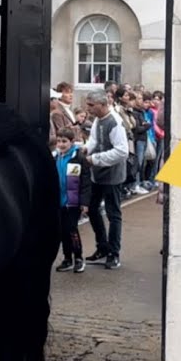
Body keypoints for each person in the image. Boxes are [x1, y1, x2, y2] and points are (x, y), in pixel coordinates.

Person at [81, 90, 129, 270]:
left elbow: (122, 151)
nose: (88, 108)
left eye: (91, 105)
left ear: (102, 104)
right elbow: (94, 139)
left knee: (113, 214)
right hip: (98, 173)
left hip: (112, 175)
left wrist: (95, 159)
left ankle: (114, 253)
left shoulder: (115, 122)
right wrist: (87, 149)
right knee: (92, 209)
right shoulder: (98, 120)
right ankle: (102, 246)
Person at [52, 128, 90, 274]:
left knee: (72, 229)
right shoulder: (55, 157)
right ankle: (67, 258)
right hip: (59, 202)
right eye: (59, 141)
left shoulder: (78, 158)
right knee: (62, 231)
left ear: (72, 142)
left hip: (73, 202)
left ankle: (78, 257)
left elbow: (85, 182)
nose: (61, 144)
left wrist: (84, 203)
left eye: (64, 141)